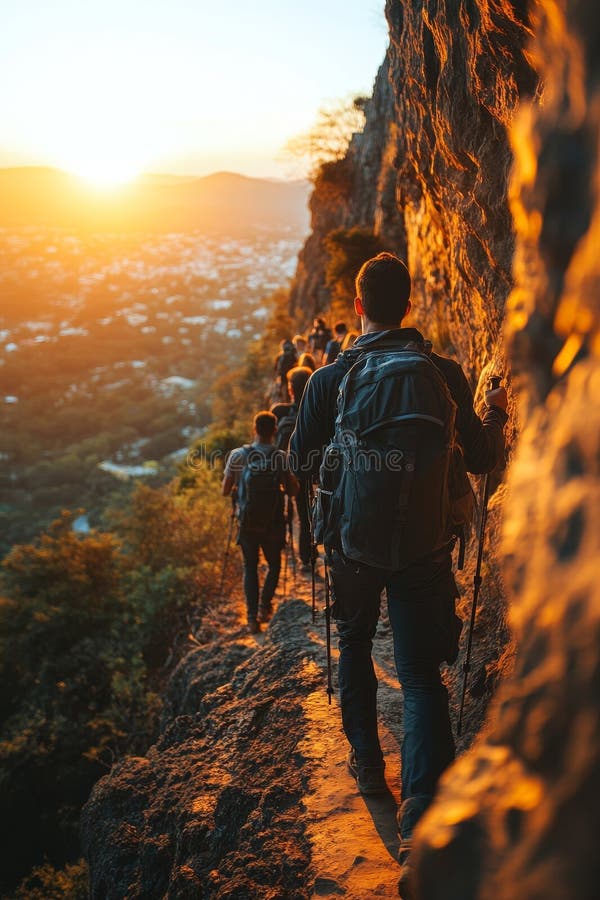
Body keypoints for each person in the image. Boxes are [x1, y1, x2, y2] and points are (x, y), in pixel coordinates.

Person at [289, 253, 508, 895]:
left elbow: (300, 461)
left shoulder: (329, 379)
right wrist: (494, 409)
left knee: (354, 645)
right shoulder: (443, 373)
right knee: (419, 677)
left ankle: (365, 768)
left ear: (359, 308)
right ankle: (422, 822)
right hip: (424, 548)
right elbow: (485, 457)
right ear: (409, 306)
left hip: (354, 547)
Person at [222, 411, 298, 634]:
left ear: (254, 429)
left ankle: (251, 618)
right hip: (273, 524)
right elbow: (293, 491)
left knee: (250, 567)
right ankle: (265, 607)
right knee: (274, 565)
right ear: (275, 431)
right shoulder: (280, 457)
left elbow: (225, 490)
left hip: (247, 523)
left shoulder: (238, 456)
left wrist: (238, 487)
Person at [270, 366, 313, 571]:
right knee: (306, 517)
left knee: (292, 513)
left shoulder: (279, 411)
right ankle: (308, 556)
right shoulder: (315, 411)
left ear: (291, 388)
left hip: (285, 469)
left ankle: (292, 555)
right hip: (309, 470)